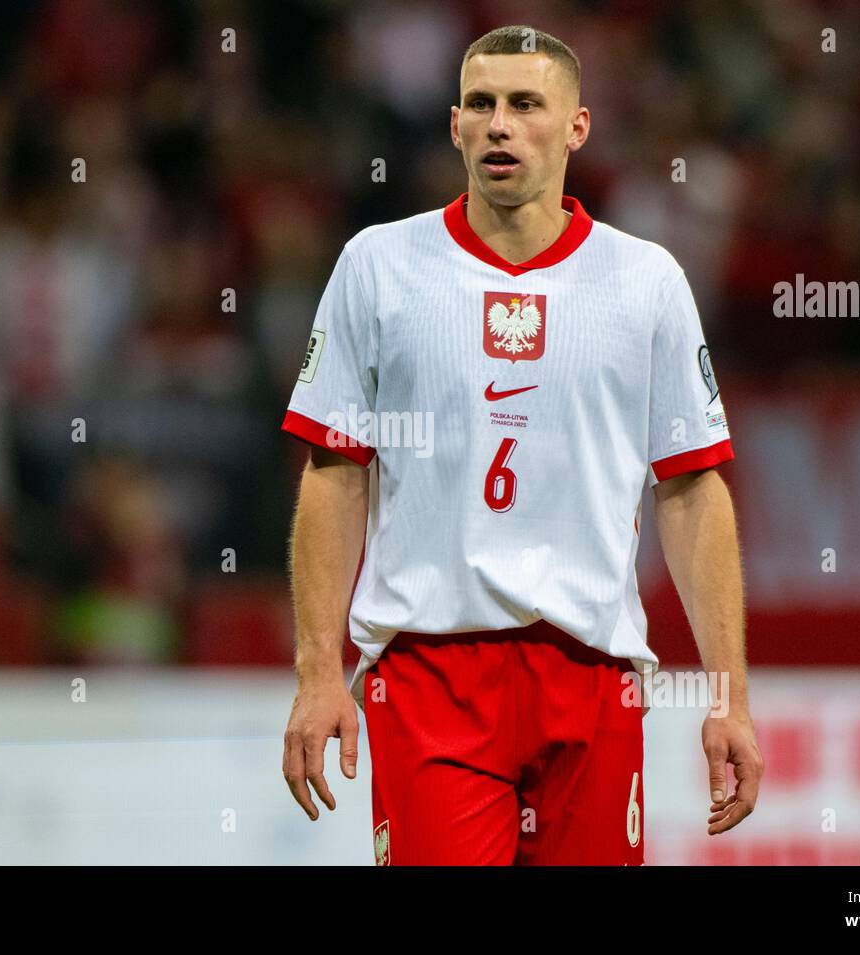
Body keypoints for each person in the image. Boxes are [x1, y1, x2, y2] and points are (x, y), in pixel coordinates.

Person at [280, 24, 762, 865]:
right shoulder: (378, 266)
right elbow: (334, 471)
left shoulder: (645, 281)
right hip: (430, 671)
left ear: (576, 126)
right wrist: (320, 668)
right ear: (456, 124)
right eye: (482, 104)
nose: (500, 124)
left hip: (593, 670)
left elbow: (690, 488)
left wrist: (730, 694)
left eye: (526, 104)